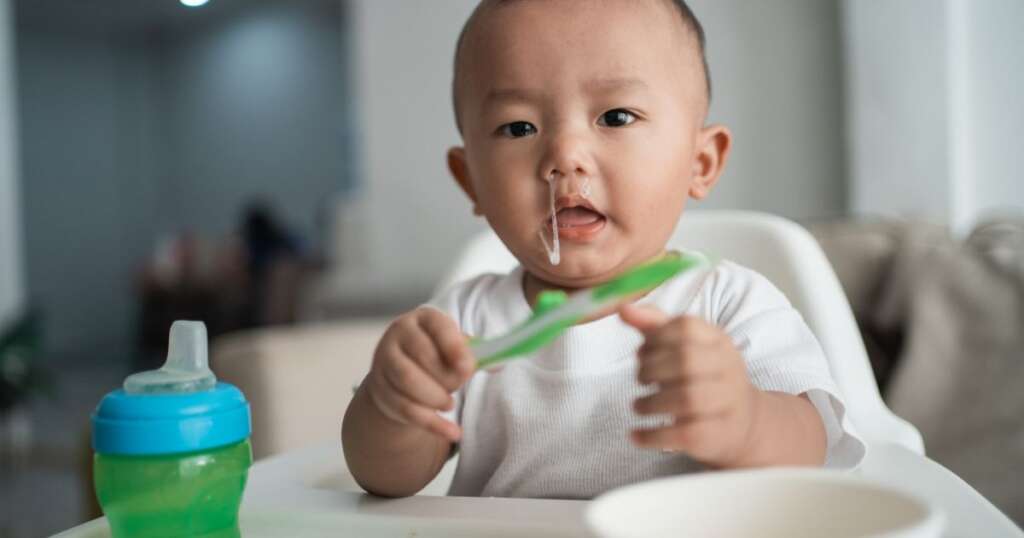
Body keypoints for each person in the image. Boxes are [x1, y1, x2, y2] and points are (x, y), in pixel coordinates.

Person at [342, 0, 864, 499]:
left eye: (615, 117)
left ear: (700, 162)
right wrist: (392, 407)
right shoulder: (462, 324)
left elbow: (812, 446)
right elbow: (386, 479)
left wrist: (746, 420)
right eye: (518, 127)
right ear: (470, 181)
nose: (565, 156)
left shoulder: (727, 304)